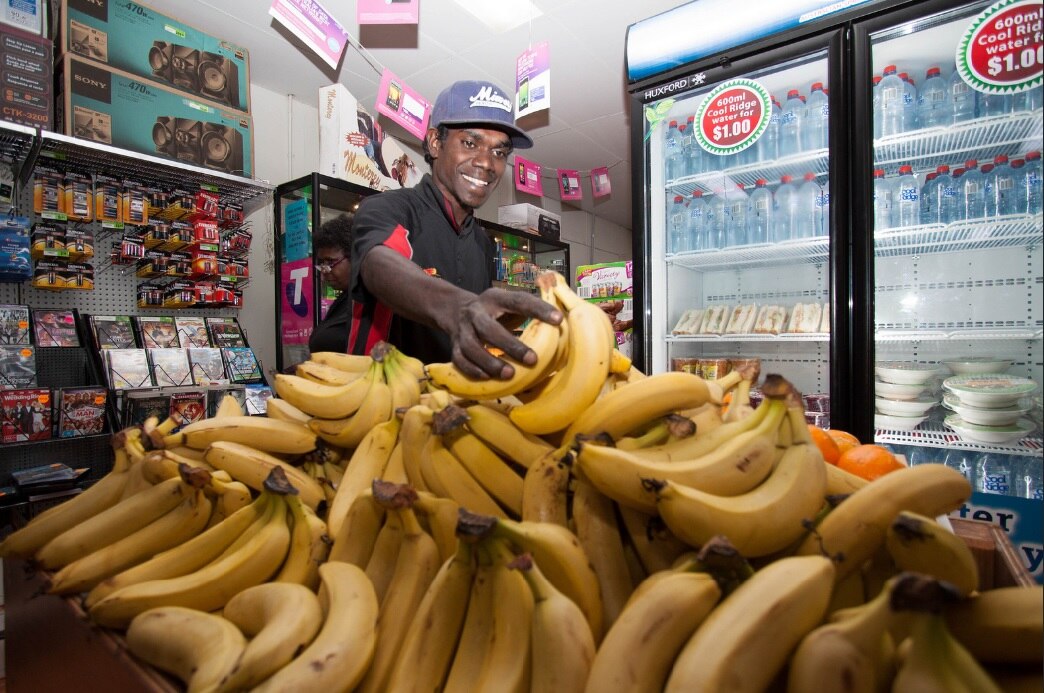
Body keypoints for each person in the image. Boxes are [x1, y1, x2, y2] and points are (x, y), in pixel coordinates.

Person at [348, 79, 562, 379]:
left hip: (454, 406)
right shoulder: (389, 209)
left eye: (500, 153)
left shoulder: (482, 243)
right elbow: (377, 265)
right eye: (470, 143)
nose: (487, 163)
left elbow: (475, 323)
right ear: (435, 143)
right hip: (383, 405)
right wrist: (456, 306)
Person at [308, 213, 355, 354]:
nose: (324, 270)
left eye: (330, 262)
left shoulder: (370, 301)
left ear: (355, 256)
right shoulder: (345, 299)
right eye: (321, 263)